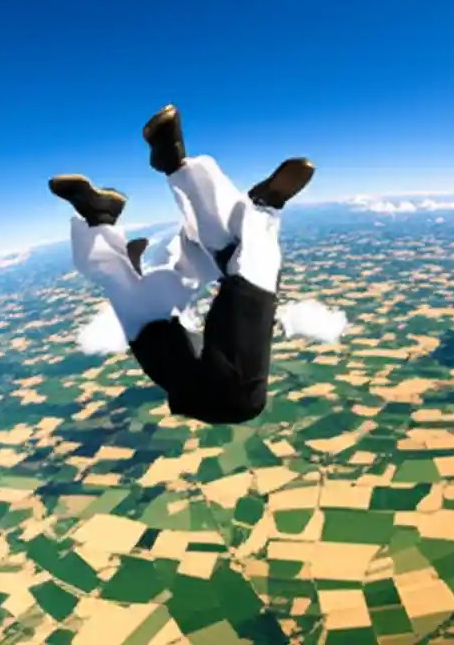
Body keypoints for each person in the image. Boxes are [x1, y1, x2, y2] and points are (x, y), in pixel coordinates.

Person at [48, 105, 314, 424]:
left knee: (245, 269)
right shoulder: (186, 301)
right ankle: (107, 217)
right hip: (174, 362)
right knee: (130, 286)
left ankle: (253, 210)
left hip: (204, 379)